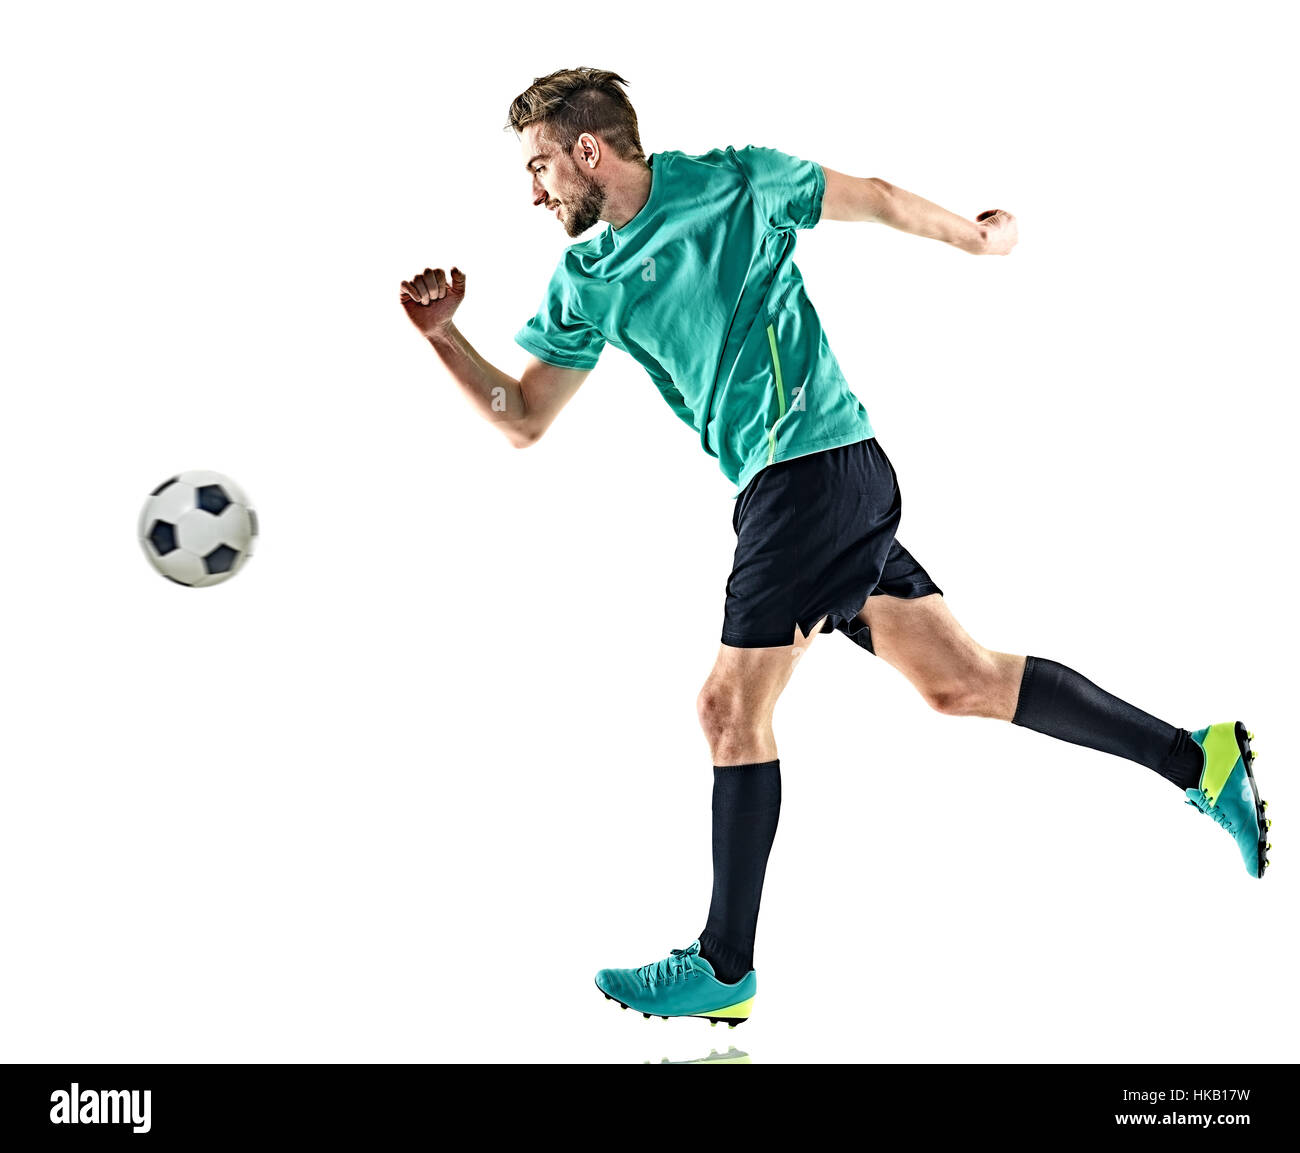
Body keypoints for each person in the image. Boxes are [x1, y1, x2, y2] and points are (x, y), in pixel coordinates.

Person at [400, 66, 1270, 1028]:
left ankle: (726, 964)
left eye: (540, 165)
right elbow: (520, 415)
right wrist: (446, 338)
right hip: (801, 491)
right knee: (964, 681)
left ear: (589, 149)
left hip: (812, 467)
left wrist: (980, 239)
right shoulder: (585, 281)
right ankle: (1202, 761)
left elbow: (875, 199)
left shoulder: (733, 181)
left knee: (729, 708)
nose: (534, 189)